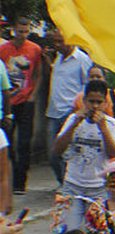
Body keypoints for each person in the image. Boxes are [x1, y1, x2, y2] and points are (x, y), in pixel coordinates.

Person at [54, 80, 115, 231]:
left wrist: (103, 128)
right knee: (68, 231)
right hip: (72, 185)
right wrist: (74, 125)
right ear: (84, 101)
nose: (95, 106)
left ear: (106, 103)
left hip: (98, 187)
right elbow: (57, 149)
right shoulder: (73, 119)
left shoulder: (112, 124)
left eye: (99, 102)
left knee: (96, 233)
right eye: (91, 102)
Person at [0, 17, 43, 194]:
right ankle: (9, 179)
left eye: (26, 32)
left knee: (24, 142)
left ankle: (20, 182)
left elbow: (38, 74)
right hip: (8, 101)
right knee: (7, 142)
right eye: (20, 31)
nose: (22, 35)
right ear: (13, 31)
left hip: (26, 101)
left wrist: (33, 95)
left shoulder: (35, 49)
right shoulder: (3, 49)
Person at [45, 29, 93, 185]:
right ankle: (63, 182)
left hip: (70, 112)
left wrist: (80, 108)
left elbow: (88, 86)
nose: (57, 45)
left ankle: (67, 185)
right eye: (55, 41)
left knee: (69, 153)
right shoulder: (58, 58)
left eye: (61, 41)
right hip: (54, 112)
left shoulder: (82, 60)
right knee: (53, 153)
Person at [72, 65, 115, 148]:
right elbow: (74, 119)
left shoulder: (114, 95)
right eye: (92, 77)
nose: (95, 79)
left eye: (98, 77)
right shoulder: (79, 98)